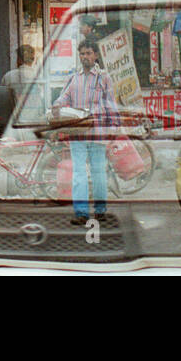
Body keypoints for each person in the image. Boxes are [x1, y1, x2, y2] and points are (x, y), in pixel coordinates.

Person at [50, 37, 119, 224]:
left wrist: (114, 128)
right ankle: (81, 213)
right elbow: (63, 98)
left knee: (98, 172)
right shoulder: (73, 78)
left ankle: (100, 211)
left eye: (88, 53)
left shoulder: (104, 77)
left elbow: (111, 103)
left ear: (96, 55)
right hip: (78, 132)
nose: (85, 57)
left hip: (98, 131)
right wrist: (56, 106)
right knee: (79, 172)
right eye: (82, 53)